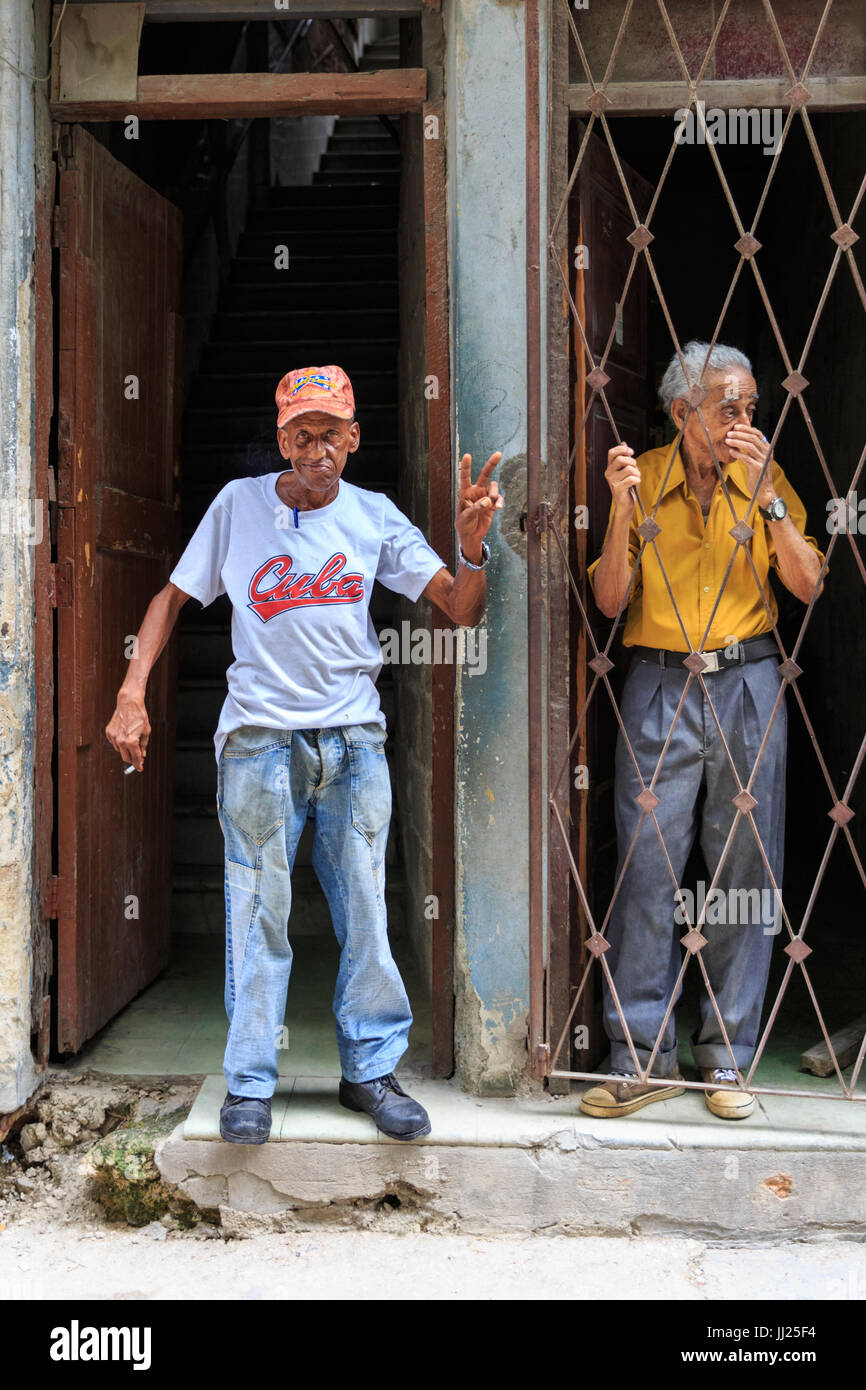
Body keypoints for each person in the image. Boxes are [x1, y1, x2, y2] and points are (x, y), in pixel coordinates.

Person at [106, 364, 502, 1144]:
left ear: (355, 439)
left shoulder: (375, 517)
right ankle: (250, 1083)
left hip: (354, 742)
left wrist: (473, 549)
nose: (315, 448)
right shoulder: (237, 506)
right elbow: (170, 600)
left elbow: (458, 608)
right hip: (258, 742)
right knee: (259, 913)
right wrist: (131, 690)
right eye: (301, 433)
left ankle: (371, 1074)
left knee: (364, 908)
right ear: (281, 439)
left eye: (331, 433)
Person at [580, 341, 824, 1121]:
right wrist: (619, 510)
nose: (744, 420)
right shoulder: (642, 476)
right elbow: (612, 603)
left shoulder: (766, 478)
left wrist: (770, 499)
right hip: (658, 683)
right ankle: (638, 1055)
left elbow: (809, 582)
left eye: (751, 406)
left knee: (745, 875)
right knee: (649, 868)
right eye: (729, 407)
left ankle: (727, 1059)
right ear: (683, 412)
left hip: (750, 680)